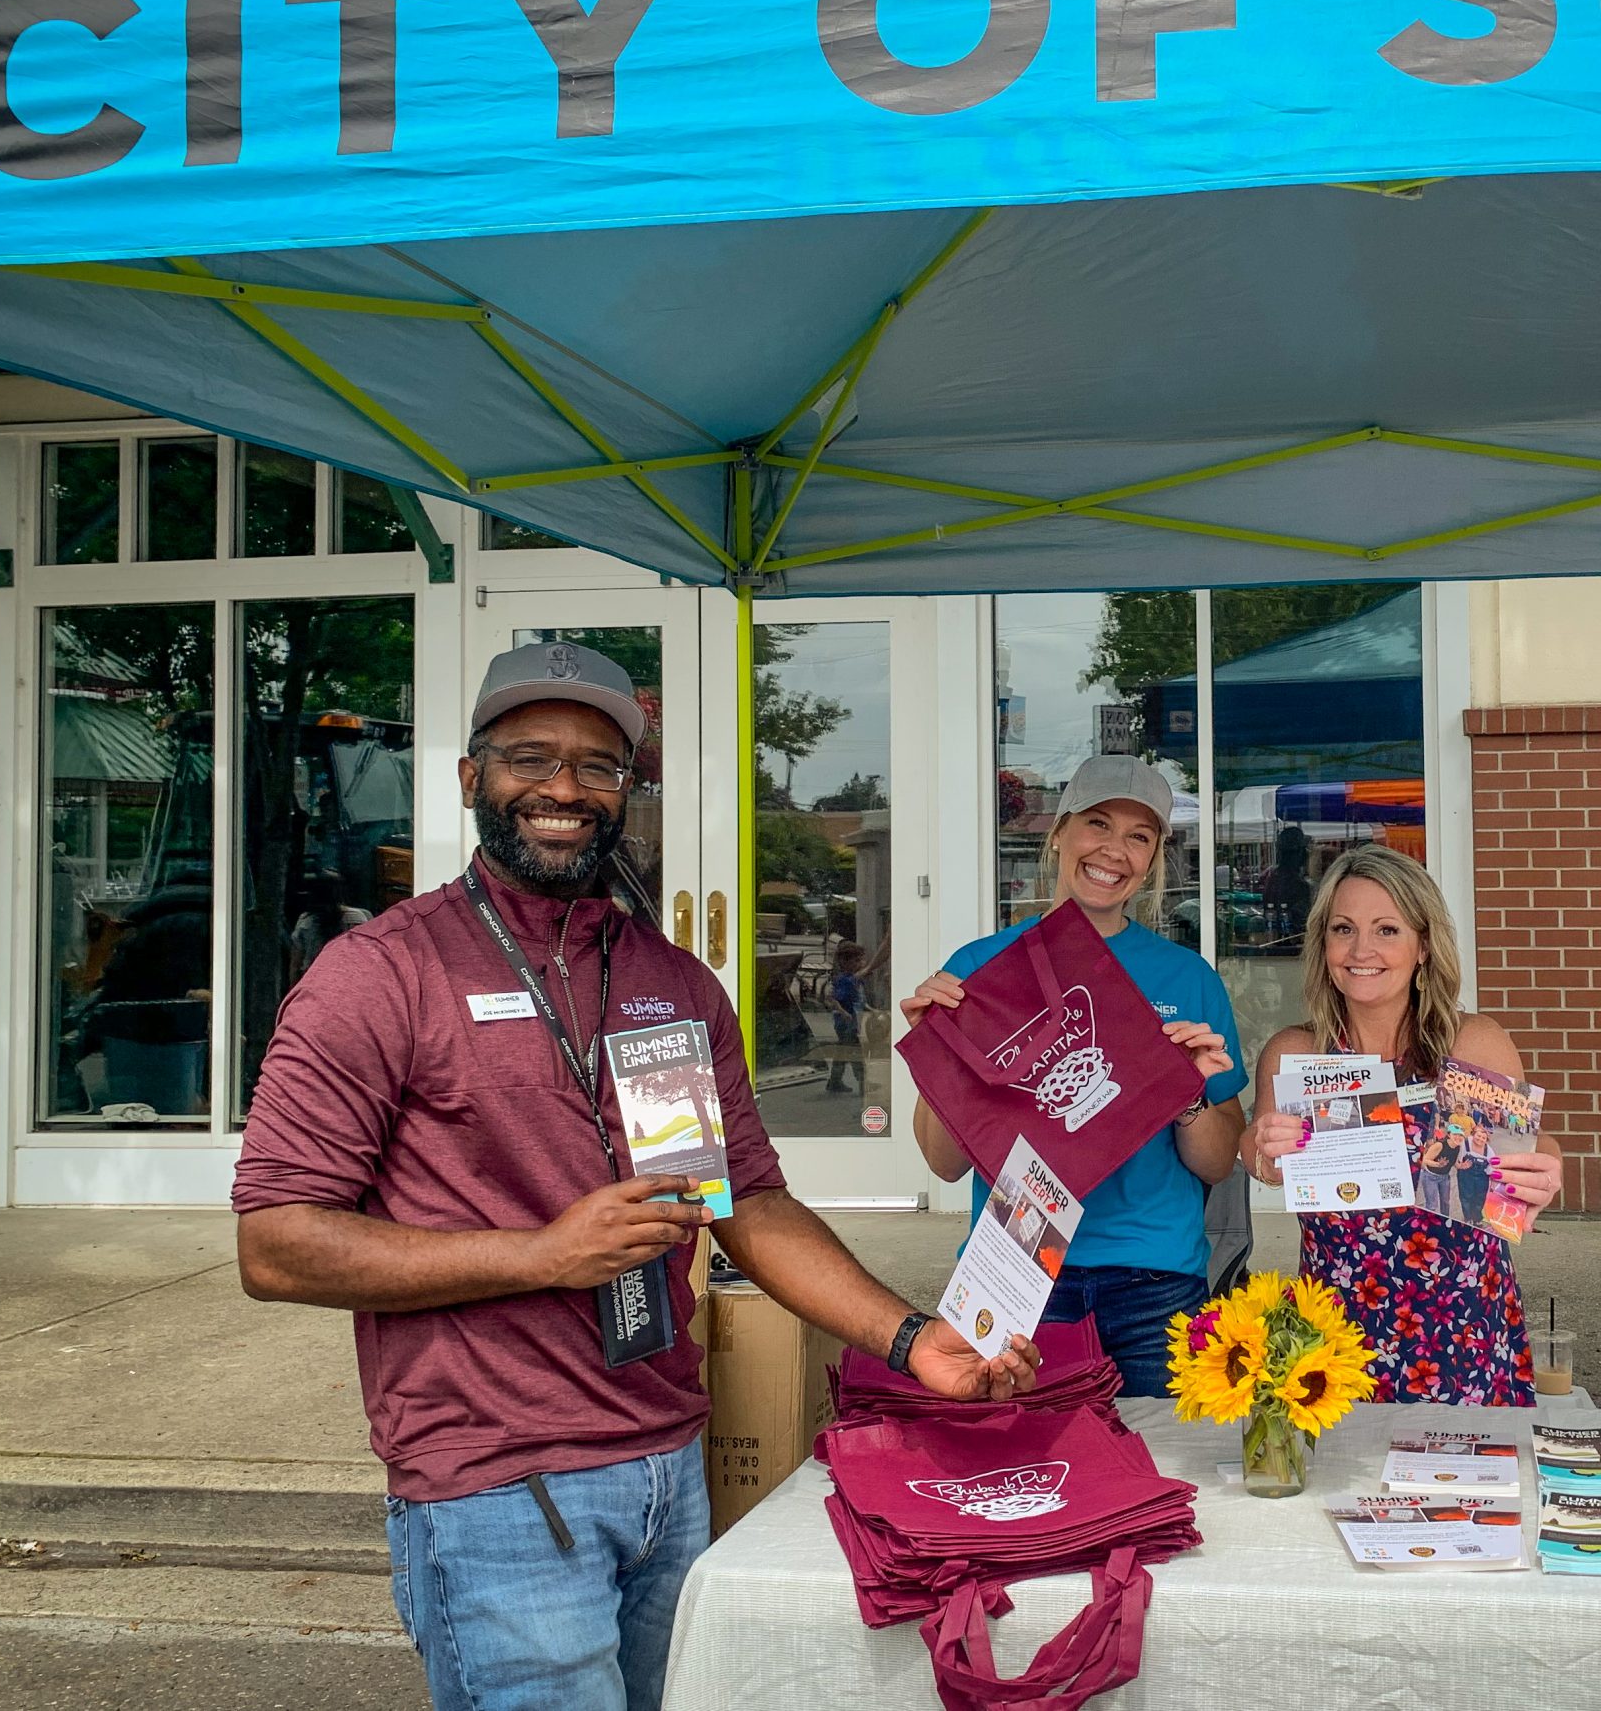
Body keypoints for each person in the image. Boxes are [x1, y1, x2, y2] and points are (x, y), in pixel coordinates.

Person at [234, 642, 1034, 1711]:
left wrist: (910, 1336)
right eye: (531, 756)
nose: (564, 788)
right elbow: (276, 1241)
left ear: (627, 793)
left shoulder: (667, 983)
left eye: (598, 766)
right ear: (471, 778)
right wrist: (539, 1255)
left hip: (667, 1464)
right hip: (496, 1483)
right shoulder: (381, 975)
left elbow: (741, 1200)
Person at [905, 753, 1246, 1396]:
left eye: (1138, 836)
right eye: (1097, 823)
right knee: (1025, 1471)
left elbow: (1218, 1162)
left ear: (1154, 859)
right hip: (1019, 1270)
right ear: (1058, 832)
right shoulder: (982, 969)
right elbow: (946, 1162)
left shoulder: (1186, 977)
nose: (1114, 850)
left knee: (1164, 1472)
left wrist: (1184, 1094)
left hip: (1156, 1277)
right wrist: (943, 1059)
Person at [1241, 844, 1564, 1405]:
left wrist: (1546, 1168)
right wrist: (1266, 1148)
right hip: (1335, 1334)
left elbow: (1530, 1147)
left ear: (1423, 947)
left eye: (1386, 929)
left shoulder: (1471, 1043)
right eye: (1343, 929)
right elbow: (1257, 1156)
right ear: (1323, 945)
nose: (1362, 949)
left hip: (1463, 1326)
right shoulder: (1297, 1053)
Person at [825, 940, 866, 1095]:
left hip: (852, 1021)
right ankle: (863, 1082)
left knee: (842, 1051)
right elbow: (833, 999)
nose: (860, 964)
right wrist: (844, 1013)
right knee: (855, 1052)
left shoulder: (854, 980)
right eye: (856, 960)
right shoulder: (845, 981)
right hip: (846, 1023)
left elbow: (859, 1000)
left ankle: (835, 1081)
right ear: (845, 962)